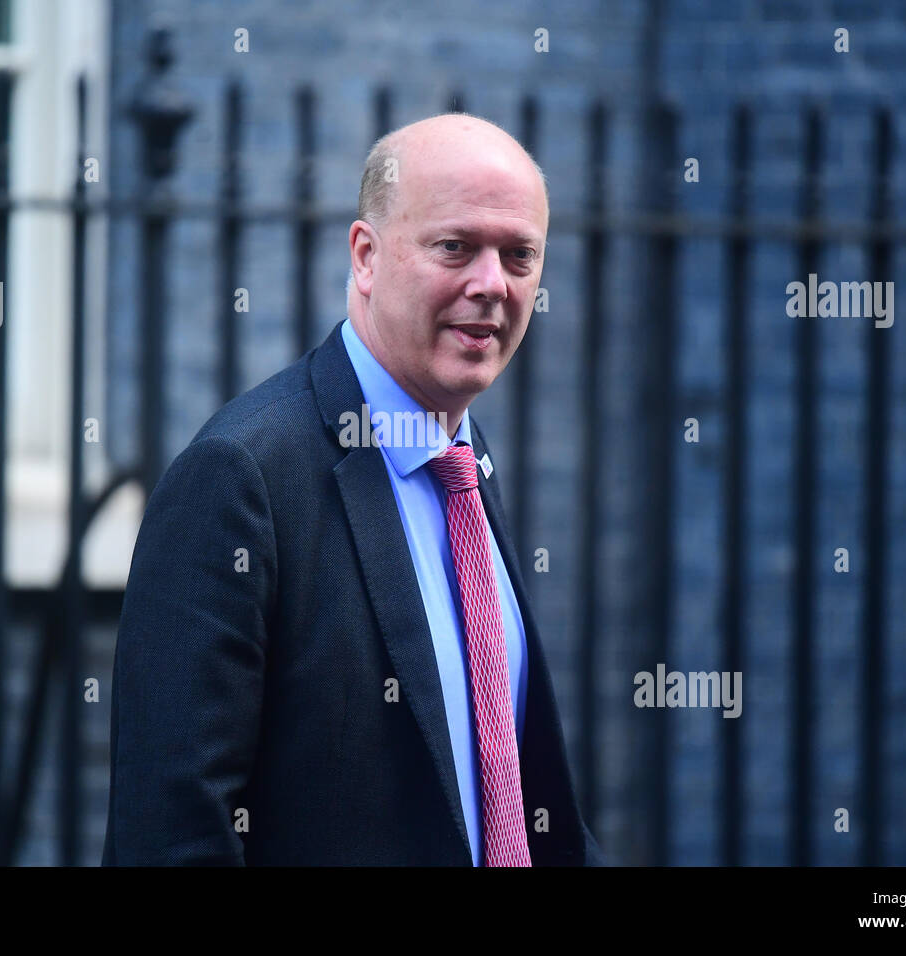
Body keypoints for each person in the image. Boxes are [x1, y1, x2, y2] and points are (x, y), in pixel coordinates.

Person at [102, 112, 606, 866]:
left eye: (519, 255)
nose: (491, 285)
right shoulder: (241, 480)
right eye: (455, 247)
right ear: (366, 257)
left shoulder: (464, 463)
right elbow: (173, 836)